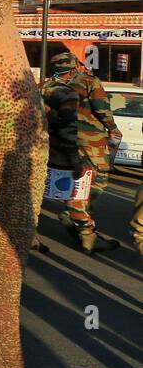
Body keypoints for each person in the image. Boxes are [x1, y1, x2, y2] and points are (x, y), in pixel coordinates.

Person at [42, 50, 122, 253]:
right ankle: (83, 225)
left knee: (73, 181)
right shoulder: (88, 82)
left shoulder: (45, 86)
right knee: (95, 181)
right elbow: (102, 108)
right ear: (75, 65)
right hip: (90, 142)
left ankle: (78, 213)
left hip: (58, 145)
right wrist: (112, 128)